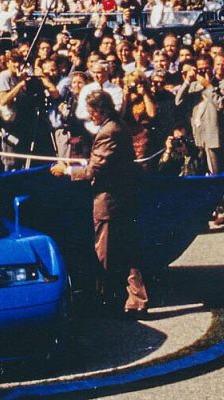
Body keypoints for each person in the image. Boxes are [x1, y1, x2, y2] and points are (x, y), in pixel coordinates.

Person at [51, 91, 148, 316]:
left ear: (102, 110)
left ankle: (107, 302)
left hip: (110, 202)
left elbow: (94, 170)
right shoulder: (117, 126)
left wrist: (66, 170)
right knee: (127, 252)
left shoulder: (109, 131)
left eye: (92, 112)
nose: (90, 116)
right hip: (122, 198)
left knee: (106, 255)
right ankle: (135, 301)